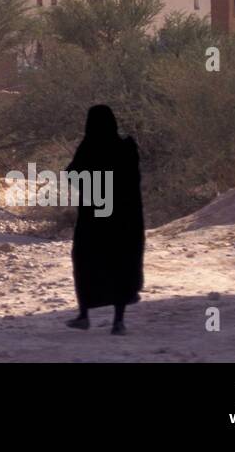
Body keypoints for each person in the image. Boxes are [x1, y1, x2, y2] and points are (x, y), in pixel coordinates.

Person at [64, 104, 144, 335]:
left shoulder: (89, 147)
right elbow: (132, 182)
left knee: (87, 264)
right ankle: (118, 321)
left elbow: (72, 174)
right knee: (119, 265)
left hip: (94, 220)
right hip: (123, 220)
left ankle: (84, 315)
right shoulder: (126, 148)